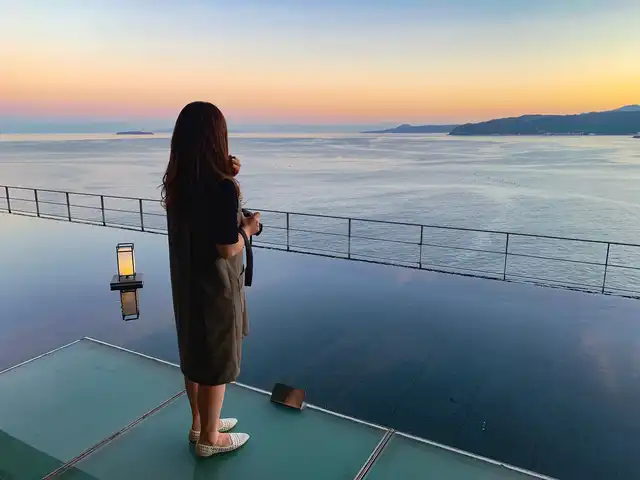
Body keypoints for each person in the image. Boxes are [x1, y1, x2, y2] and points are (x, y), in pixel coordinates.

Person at [161, 101, 261, 457]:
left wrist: (228, 175)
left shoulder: (179, 183)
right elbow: (226, 246)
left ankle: (199, 424)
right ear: (218, 138)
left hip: (186, 283)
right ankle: (210, 438)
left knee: (194, 356)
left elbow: (206, 221)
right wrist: (249, 229)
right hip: (215, 287)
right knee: (216, 363)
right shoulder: (221, 188)